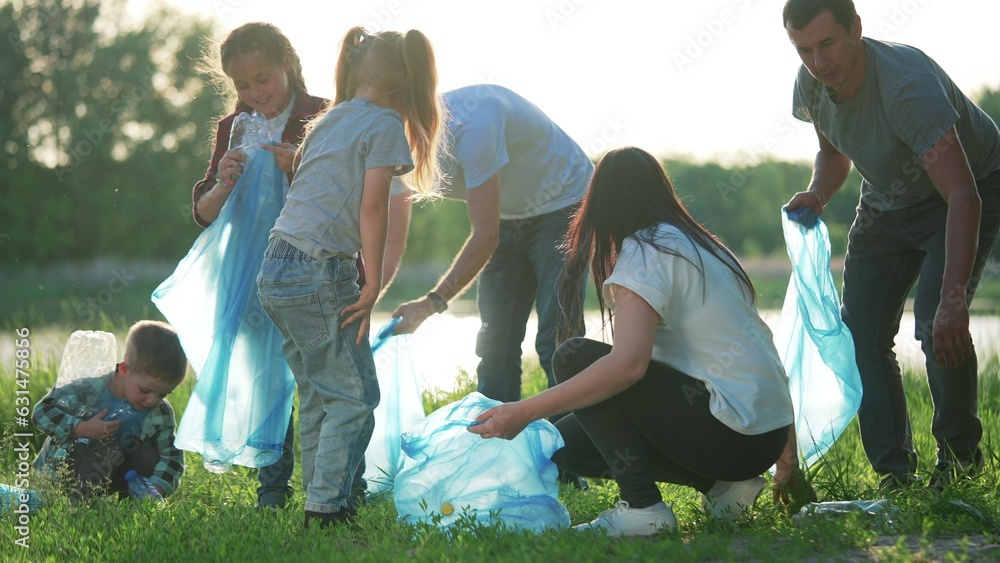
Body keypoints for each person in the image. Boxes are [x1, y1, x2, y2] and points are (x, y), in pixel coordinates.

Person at [468, 147, 808, 537]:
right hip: (759, 439)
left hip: (728, 436)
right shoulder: (704, 247)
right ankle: (723, 487)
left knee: (574, 357)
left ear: (601, 205)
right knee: (567, 445)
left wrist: (523, 411)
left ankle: (643, 508)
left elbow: (627, 367)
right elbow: (763, 353)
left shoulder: (646, 249)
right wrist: (786, 457)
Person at [782, 0, 1000, 490]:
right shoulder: (813, 82)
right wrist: (818, 193)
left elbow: (962, 193)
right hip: (886, 200)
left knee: (936, 322)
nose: (819, 62)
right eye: (805, 50)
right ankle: (894, 473)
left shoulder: (906, 87)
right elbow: (833, 152)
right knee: (860, 330)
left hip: (967, 188)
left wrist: (953, 300)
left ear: (856, 28)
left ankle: (961, 462)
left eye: (828, 43)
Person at [256, 26, 444, 529]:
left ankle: (324, 498)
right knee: (355, 395)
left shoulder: (329, 118)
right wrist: (374, 281)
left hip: (275, 267)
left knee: (320, 393)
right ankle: (326, 508)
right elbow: (373, 209)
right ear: (408, 80)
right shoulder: (384, 124)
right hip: (318, 269)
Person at [187, 22, 361, 511]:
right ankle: (273, 486)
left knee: (324, 376)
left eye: (262, 78)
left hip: (319, 269)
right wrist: (223, 182)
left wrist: (299, 164)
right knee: (268, 378)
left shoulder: (324, 116)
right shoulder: (233, 128)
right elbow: (203, 214)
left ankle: (338, 484)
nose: (254, 93)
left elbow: (352, 195)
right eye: (242, 85)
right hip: (249, 274)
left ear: (287, 62)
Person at [386, 84, 593, 423]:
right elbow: (391, 245)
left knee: (558, 338)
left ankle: (570, 459)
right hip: (504, 214)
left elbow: (485, 238)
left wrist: (430, 303)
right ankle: (496, 455)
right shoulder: (388, 151)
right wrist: (365, 302)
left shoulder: (472, 127)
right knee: (495, 340)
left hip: (564, 203)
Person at [33, 320, 188, 499]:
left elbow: (171, 457)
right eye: (145, 390)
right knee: (109, 448)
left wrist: (155, 488)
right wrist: (83, 428)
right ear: (124, 369)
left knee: (148, 456)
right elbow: (42, 411)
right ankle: (75, 505)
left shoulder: (159, 412)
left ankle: (133, 506)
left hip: (111, 471)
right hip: (64, 471)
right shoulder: (89, 388)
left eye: (163, 394)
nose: (152, 401)